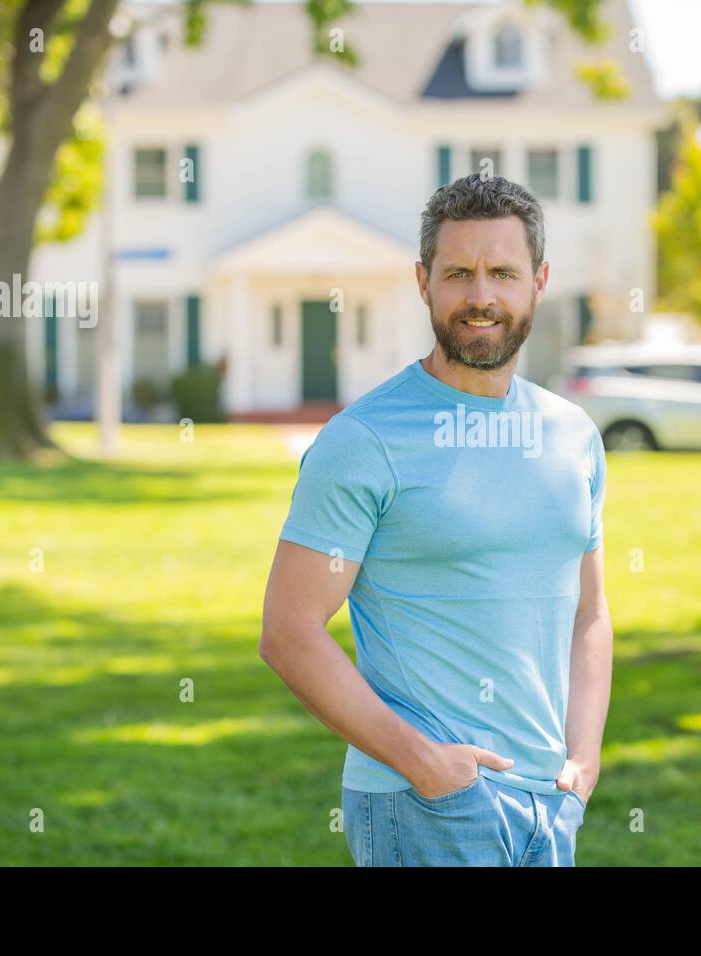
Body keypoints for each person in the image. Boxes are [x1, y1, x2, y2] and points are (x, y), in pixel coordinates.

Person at [258, 174, 612, 866]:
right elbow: (288, 632)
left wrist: (584, 760)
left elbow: (590, 614)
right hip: (426, 805)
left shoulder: (573, 436)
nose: (481, 296)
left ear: (539, 280)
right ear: (423, 282)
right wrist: (423, 764)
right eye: (459, 274)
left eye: (504, 272)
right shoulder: (364, 440)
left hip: (550, 806)